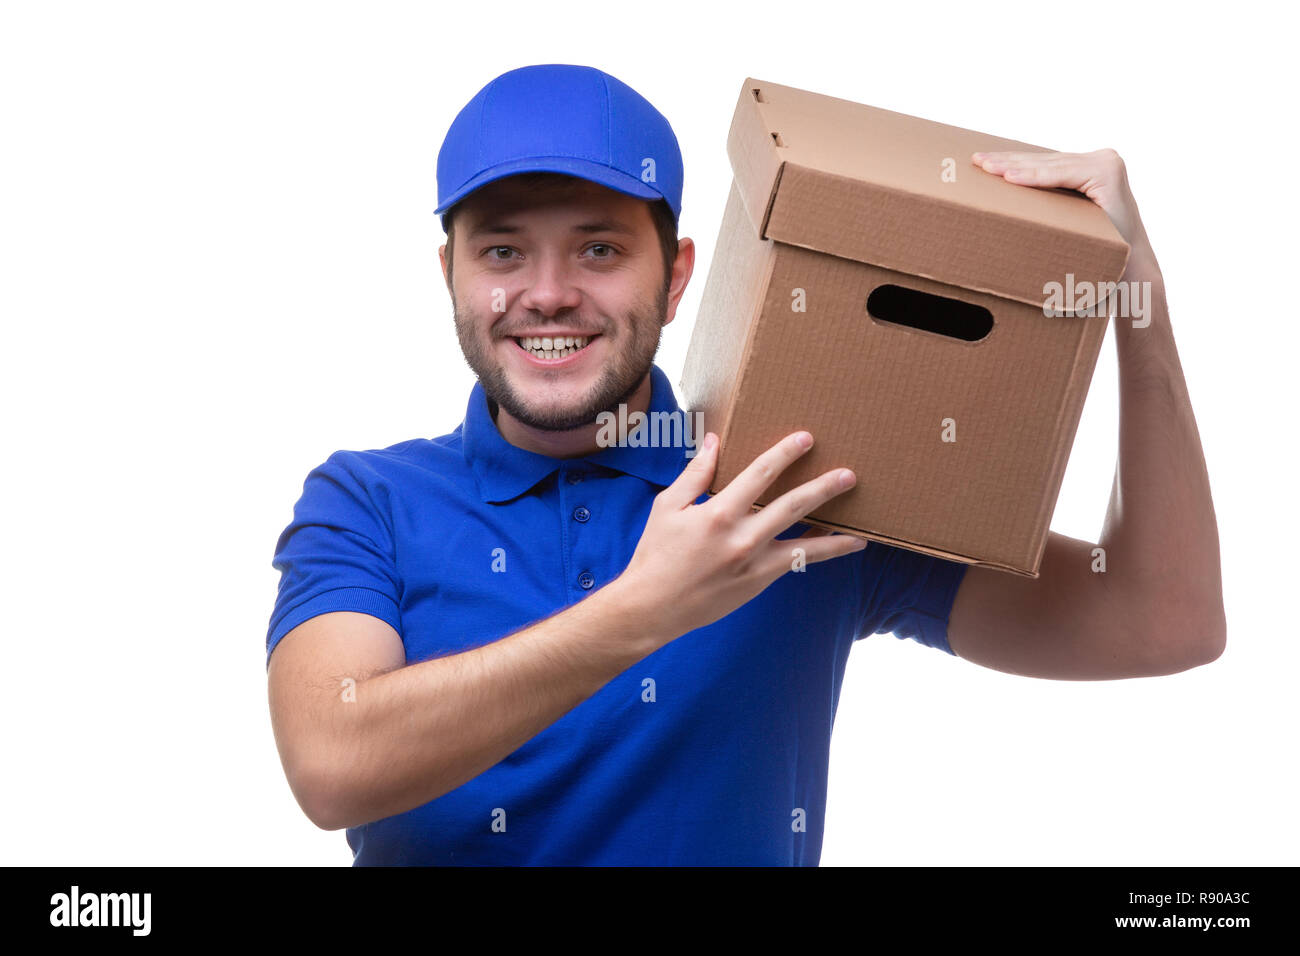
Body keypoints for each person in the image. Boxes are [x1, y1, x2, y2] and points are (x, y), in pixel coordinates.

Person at [265, 64, 1225, 865]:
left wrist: (1134, 300)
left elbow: (1163, 622)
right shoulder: (368, 500)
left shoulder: (792, 489)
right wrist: (647, 608)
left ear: (676, 275)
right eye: (504, 252)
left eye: (599, 249)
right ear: (453, 278)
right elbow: (333, 763)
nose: (547, 295)